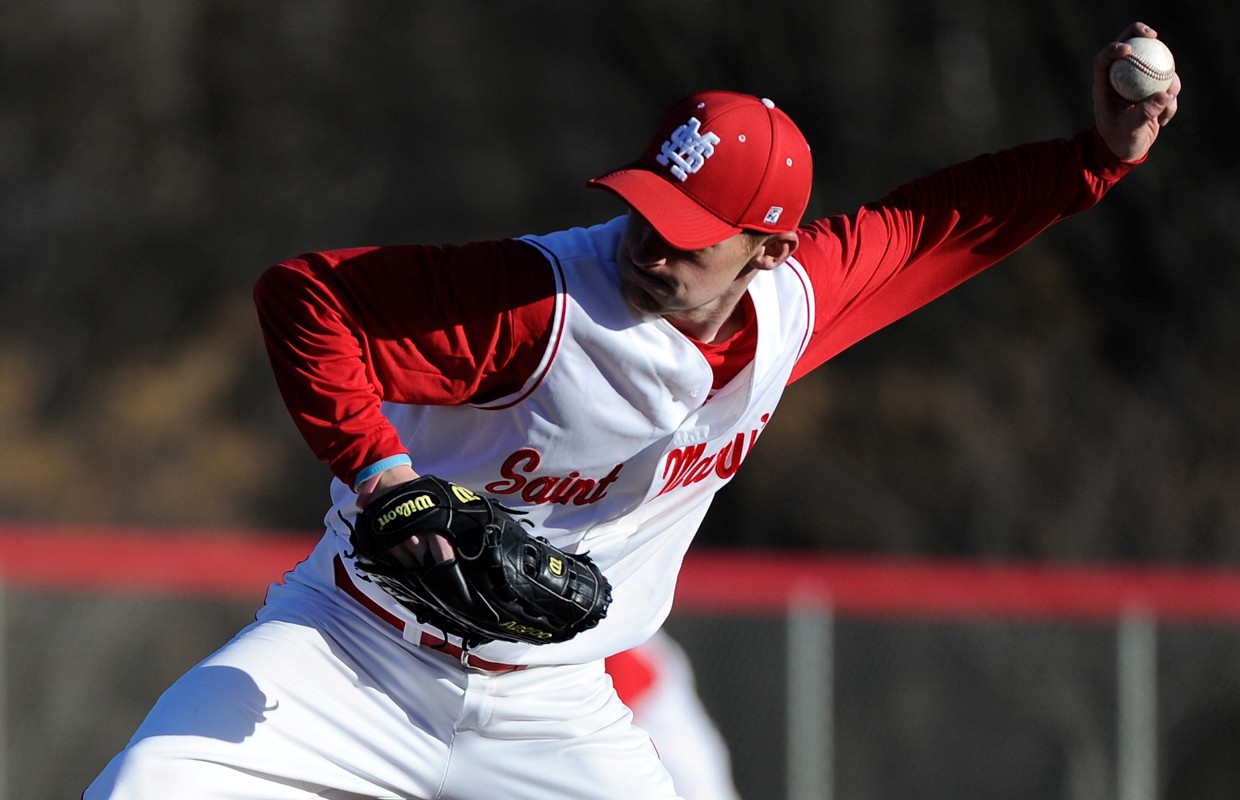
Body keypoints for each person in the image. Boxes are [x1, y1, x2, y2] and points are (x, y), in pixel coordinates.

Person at [86, 22, 1178, 799]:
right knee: (143, 786)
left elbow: (943, 222)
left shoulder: (799, 307)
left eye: (689, 227)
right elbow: (307, 295)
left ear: (767, 246)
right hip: (353, 652)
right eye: (648, 205)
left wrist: (1095, 160)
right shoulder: (537, 301)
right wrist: (381, 472)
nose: (650, 240)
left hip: (553, 702)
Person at [606, 631, 743, 800]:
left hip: (683, 778)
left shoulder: (630, 639)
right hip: (662, 771)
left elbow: (602, 714)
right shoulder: (629, 634)